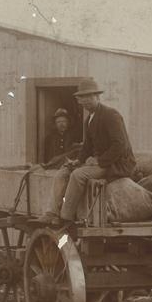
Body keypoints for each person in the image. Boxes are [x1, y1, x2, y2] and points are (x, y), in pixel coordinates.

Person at [40, 78, 136, 227]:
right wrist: (78, 161)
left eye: (89, 97)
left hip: (116, 163)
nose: (85, 101)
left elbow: (120, 145)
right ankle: (52, 212)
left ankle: (65, 217)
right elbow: (87, 146)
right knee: (63, 172)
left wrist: (99, 160)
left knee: (78, 175)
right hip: (102, 161)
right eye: (81, 98)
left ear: (97, 97)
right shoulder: (89, 119)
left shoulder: (111, 115)